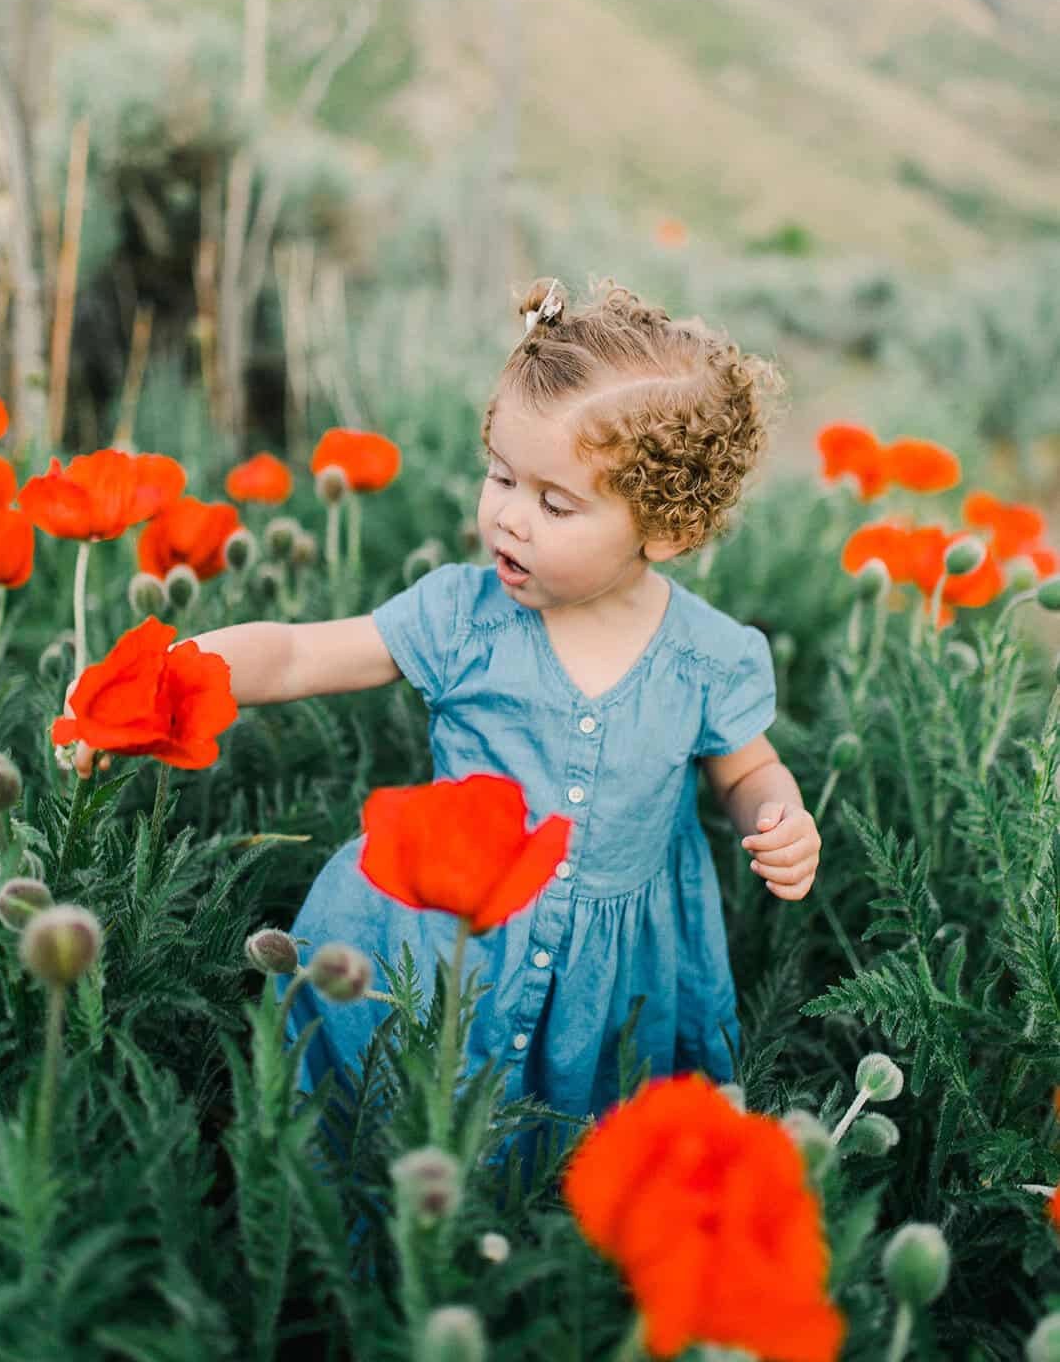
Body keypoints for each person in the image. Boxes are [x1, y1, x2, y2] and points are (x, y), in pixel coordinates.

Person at [69, 277, 822, 1125]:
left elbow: (746, 769)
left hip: (613, 974)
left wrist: (777, 816)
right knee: (404, 1119)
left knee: (568, 1145)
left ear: (667, 528)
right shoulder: (463, 618)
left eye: (554, 503)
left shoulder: (707, 659)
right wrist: (166, 673)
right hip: (435, 947)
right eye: (500, 477)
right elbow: (297, 651)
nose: (509, 519)